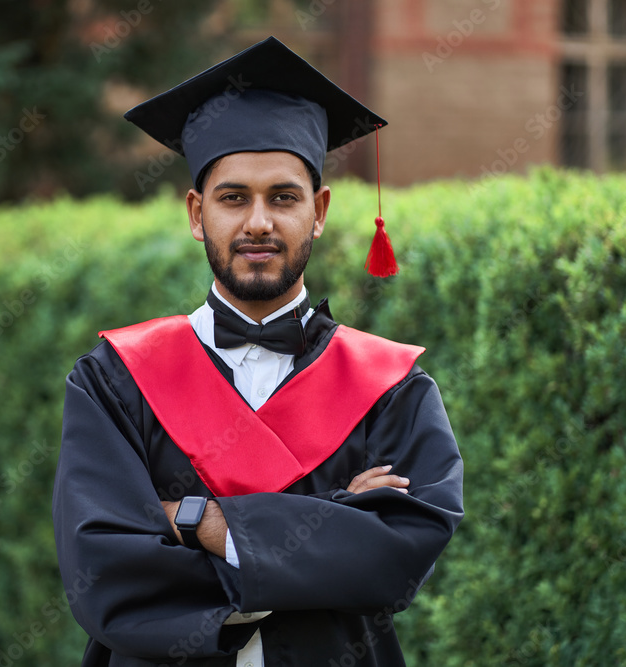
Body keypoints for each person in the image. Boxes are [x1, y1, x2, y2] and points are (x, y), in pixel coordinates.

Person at [52, 36, 464, 667]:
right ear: (197, 213)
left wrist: (194, 523)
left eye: (284, 197)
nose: (259, 224)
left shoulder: (393, 388)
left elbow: (395, 557)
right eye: (233, 197)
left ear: (319, 211)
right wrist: (329, 528)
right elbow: (107, 574)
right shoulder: (113, 382)